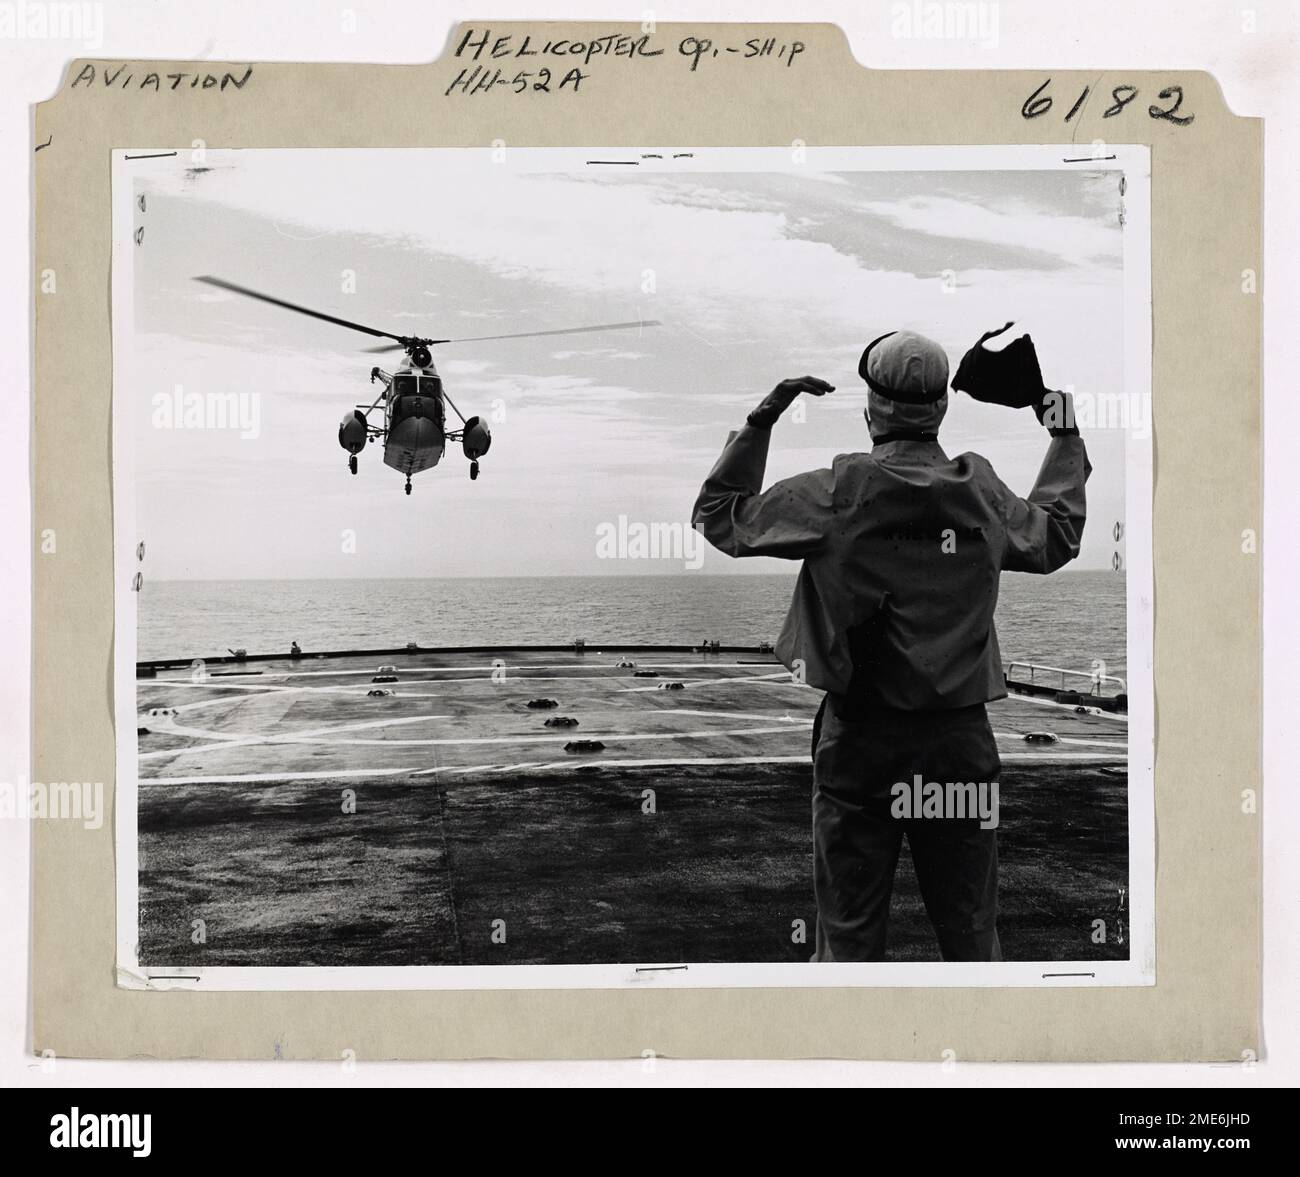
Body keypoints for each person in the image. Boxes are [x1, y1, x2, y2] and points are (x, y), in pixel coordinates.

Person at [691, 328, 1089, 962]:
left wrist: (762, 419)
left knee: (848, 940)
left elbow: (720, 514)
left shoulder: (834, 492)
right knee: (970, 936)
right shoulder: (981, 491)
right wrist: (1063, 429)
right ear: (941, 408)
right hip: (958, 742)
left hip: (862, 743)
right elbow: (1058, 536)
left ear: (871, 408)